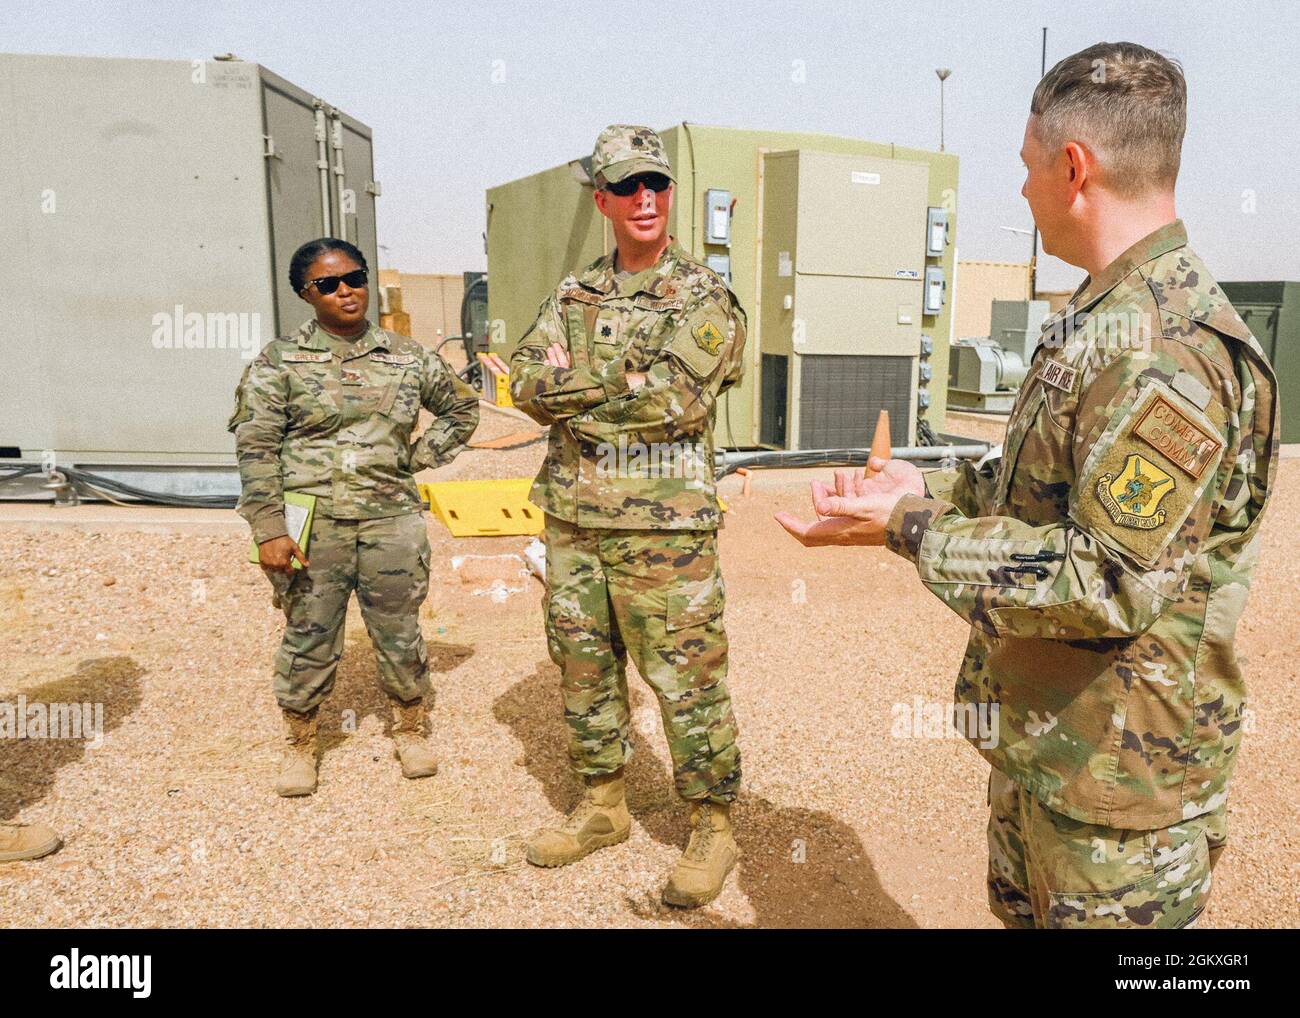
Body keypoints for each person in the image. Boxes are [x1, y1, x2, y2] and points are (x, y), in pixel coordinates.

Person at [776, 42, 1278, 929]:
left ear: (1073, 167)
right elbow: (1039, 490)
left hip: (1121, 803)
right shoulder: (1102, 312)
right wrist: (919, 487)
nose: (1022, 189)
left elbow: (1102, 580)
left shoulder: (1169, 347)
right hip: (1055, 752)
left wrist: (913, 528)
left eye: (1026, 166)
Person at [509, 125, 747, 908]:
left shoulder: (704, 296)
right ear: (602, 199)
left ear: (669, 194)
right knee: (583, 669)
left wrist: (575, 386)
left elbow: (675, 404)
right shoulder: (575, 293)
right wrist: (621, 381)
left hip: (664, 531)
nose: (645, 199)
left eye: (657, 184)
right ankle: (604, 804)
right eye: (627, 187)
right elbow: (521, 383)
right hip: (575, 521)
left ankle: (713, 827)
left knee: (687, 681)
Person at [229, 238, 479, 797]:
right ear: (305, 294)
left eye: (355, 278)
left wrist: (414, 459)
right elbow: (256, 448)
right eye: (328, 284)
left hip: (389, 517)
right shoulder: (279, 361)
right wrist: (269, 529)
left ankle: (411, 728)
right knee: (309, 633)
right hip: (311, 520)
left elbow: (461, 408)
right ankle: (300, 741)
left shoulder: (406, 355)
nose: (346, 291)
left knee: (399, 629)